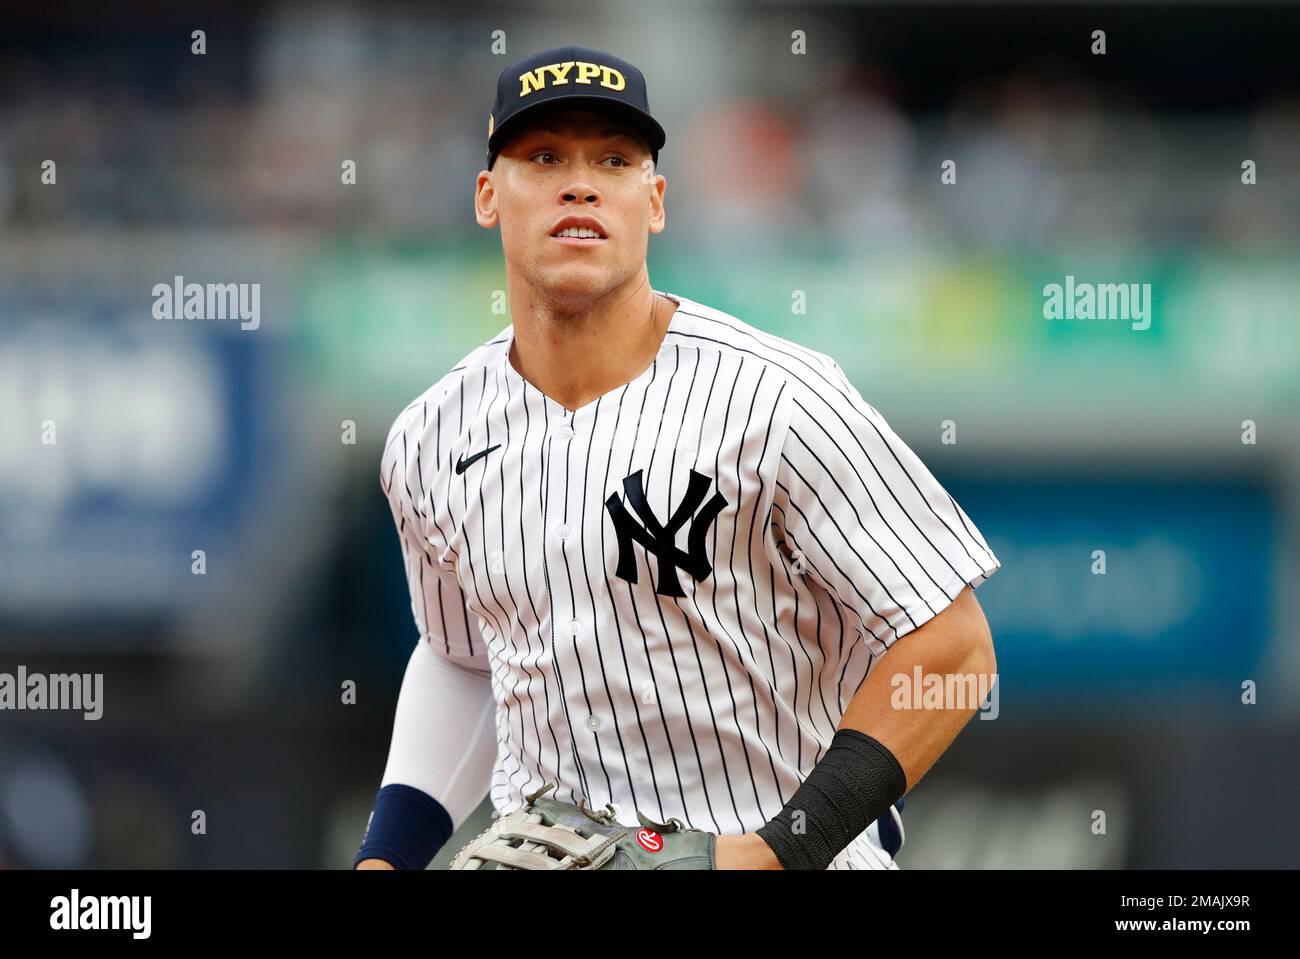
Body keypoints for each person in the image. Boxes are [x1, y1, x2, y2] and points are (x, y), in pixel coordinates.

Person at [356, 46, 1000, 870]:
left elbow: (953, 649)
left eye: (614, 161)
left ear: (654, 202)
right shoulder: (430, 434)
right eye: (544, 157)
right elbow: (462, 661)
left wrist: (774, 853)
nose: (579, 184)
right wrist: (386, 857)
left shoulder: (779, 397)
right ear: (488, 195)